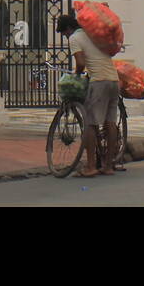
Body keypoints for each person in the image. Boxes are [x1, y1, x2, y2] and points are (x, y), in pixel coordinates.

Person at [57, 13, 121, 177]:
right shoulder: (92, 33)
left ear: (69, 29)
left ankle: (91, 166)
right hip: (114, 80)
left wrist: (76, 75)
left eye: (64, 33)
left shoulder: (74, 39)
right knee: (110, 123)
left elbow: (80, 63)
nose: (65, 37)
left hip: (98, 81)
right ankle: (107, 166)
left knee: (90, 124)